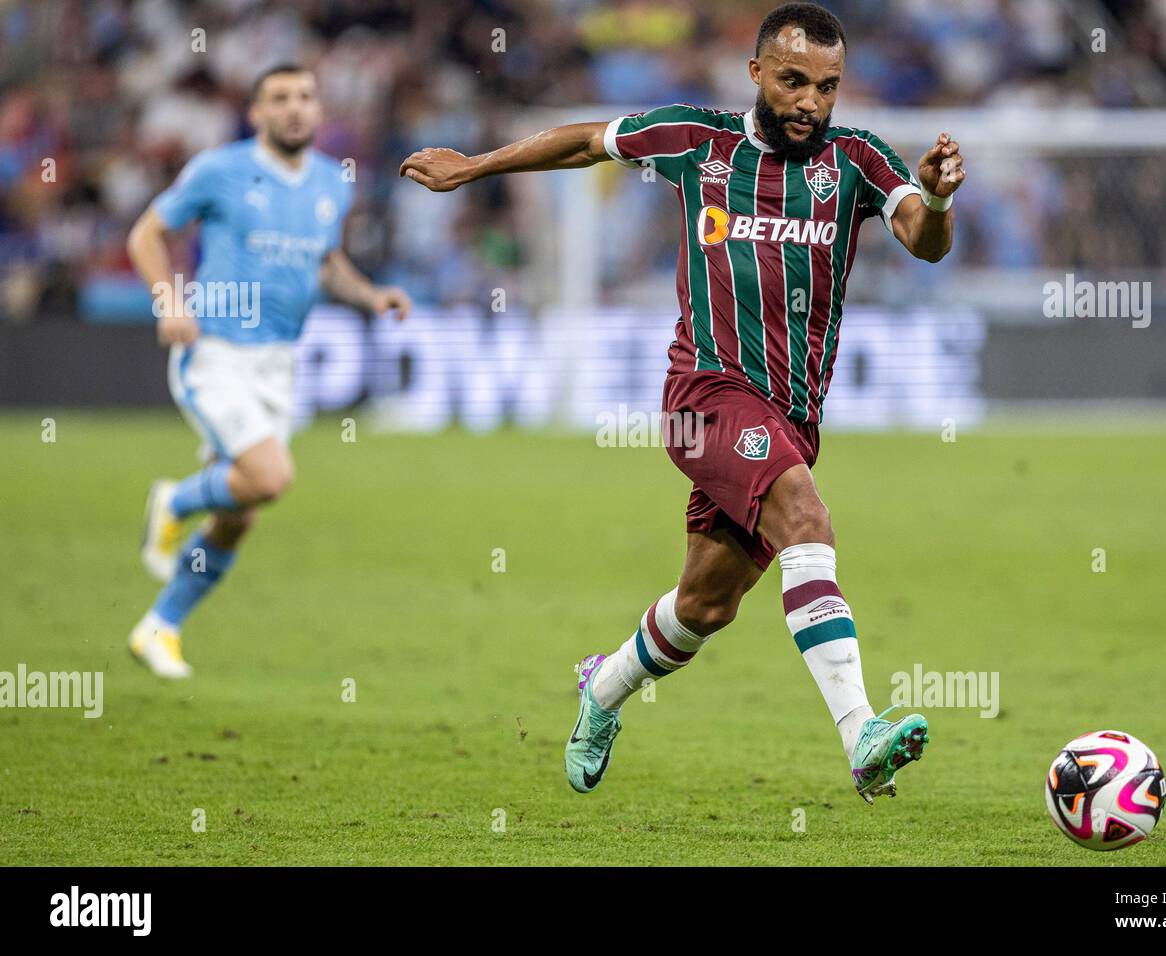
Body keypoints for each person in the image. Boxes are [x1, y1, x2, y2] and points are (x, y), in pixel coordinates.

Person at [401, 2, 965, 804]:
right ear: (757, 74)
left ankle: (602, 691)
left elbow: (924, 239)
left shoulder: (859, 161)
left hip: (790, 419)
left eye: (827, 87)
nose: (810, 101)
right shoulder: (697, 142)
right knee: (805, 519)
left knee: (706, 604)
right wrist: (473, 167)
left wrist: (939, 200)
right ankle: (861, 734)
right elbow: (585, 139)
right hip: (702, 397)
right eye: (794, 80)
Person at [128, 64, 411, 678]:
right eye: (279, 99)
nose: (294, 109)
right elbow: (147, 234)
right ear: (255, 113)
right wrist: (169, 302)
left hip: (278, 363)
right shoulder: (220, 170)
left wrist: (370, 296)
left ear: (319, 109)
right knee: (269, 476)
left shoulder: (332, 183)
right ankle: (173, 500)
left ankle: (161, 625)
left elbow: (326, 259)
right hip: (217, 352)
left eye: (306, 97)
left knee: (241, 512)